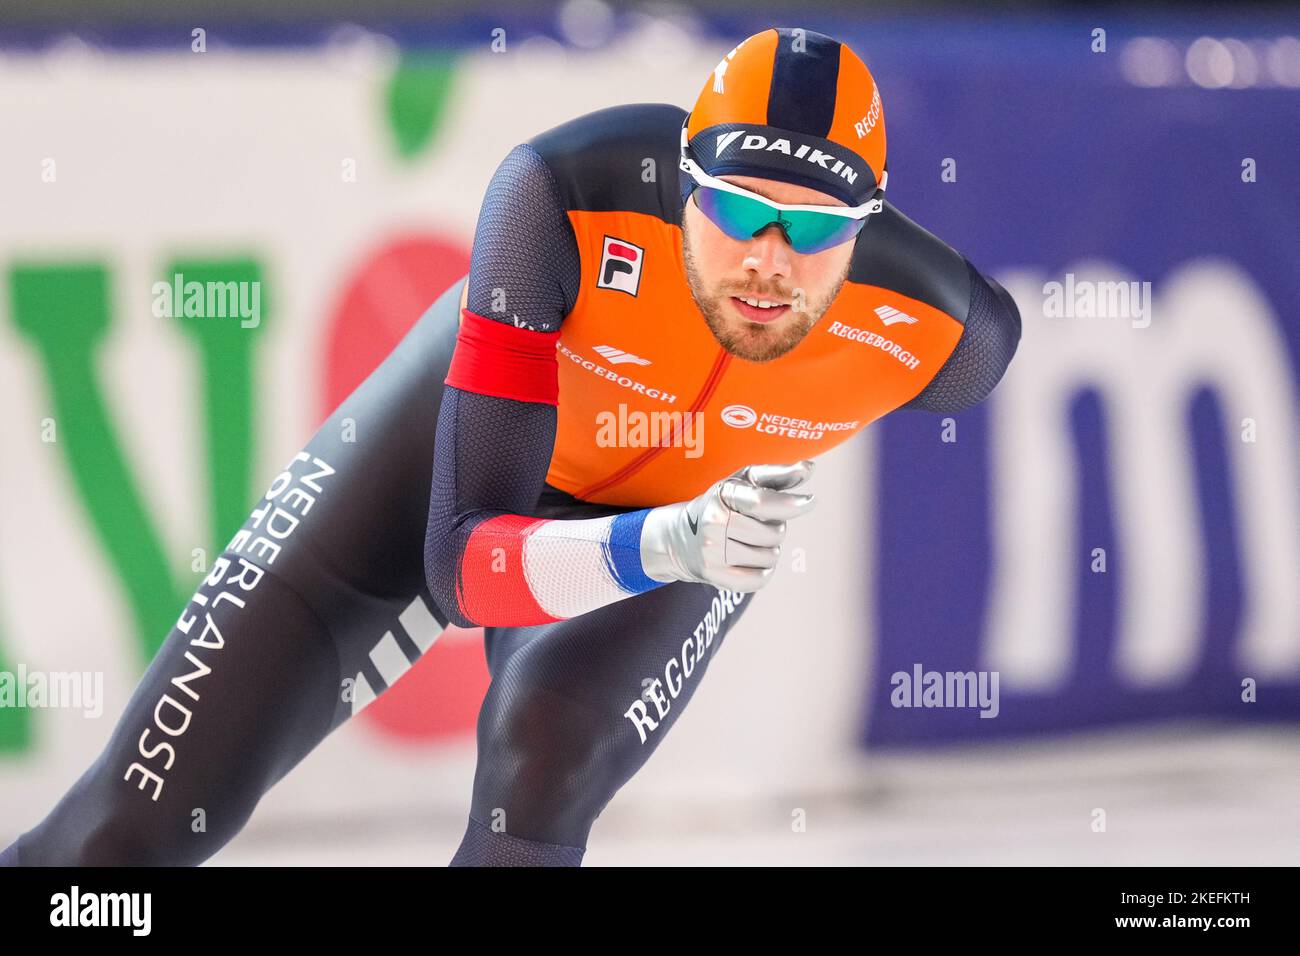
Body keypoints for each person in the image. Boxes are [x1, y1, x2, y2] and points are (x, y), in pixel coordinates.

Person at [1, 26, 1020, 867]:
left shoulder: (949, 334)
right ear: (681, 185)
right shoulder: (565, 192)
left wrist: (687, 543)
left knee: (541, 764)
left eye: (812, 229)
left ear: (868, 224)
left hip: (690, 524)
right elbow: (463, 568)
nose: (767, 261)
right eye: (738, 210)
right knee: (115, 843)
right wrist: (666, 542)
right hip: (464, 472)